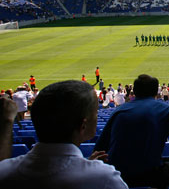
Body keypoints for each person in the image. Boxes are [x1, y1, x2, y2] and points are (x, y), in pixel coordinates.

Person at [0, 80, 128, 189]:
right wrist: (86, 166)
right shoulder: (105, 178)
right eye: (95, 113)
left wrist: (6, 124)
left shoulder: (6, 171)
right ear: (83, 125)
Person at [94, 74, 169, 188]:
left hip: (117, 177)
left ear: (134, 91)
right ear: (156, 92)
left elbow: (100, 149)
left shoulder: (119, 111)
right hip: (149, 175)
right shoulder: (164, 109)